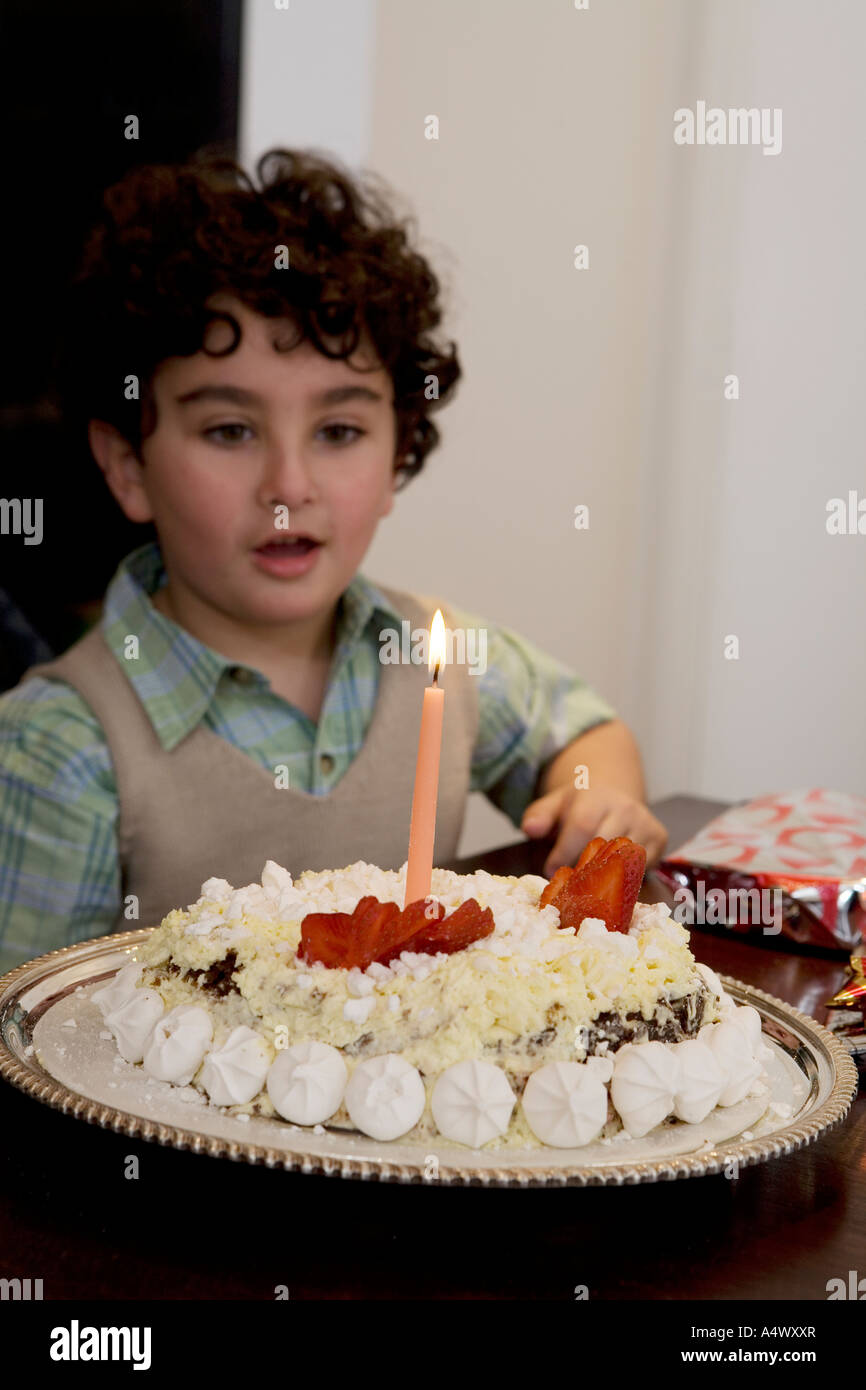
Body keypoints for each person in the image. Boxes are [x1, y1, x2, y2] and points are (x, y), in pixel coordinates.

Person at [0, 147, 667, 974]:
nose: (289, 486)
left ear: (398, 458)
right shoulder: (61, 746)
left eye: (340, 432)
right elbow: (25, 1032)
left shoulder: (434, 655)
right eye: (229, 431)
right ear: (129, 465)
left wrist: (595, 800)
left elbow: (588, 733)